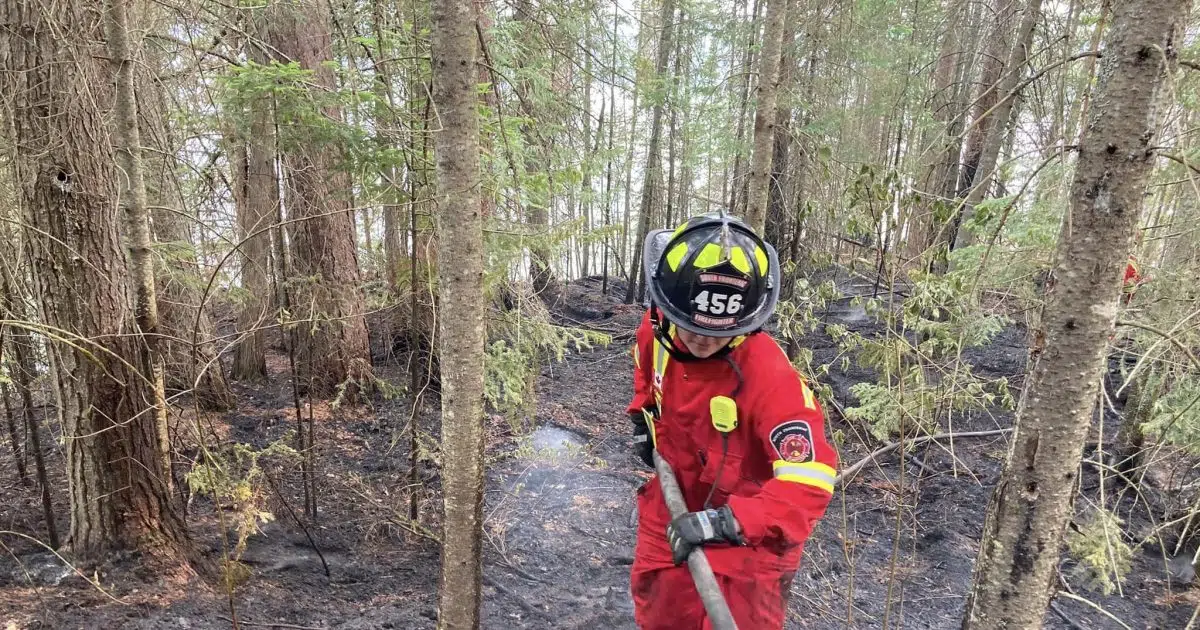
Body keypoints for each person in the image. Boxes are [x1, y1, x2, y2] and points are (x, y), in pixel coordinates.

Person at [627, 213, 837, 629]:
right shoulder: (656, 333)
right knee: (660, 611)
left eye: (718, 333)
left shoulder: (770, 378)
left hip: (751, 541)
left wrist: (729, 523)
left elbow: (809, 481)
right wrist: (644, 422)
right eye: (688, 325)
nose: (701, 339)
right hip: (671, 508)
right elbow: (647, 378)